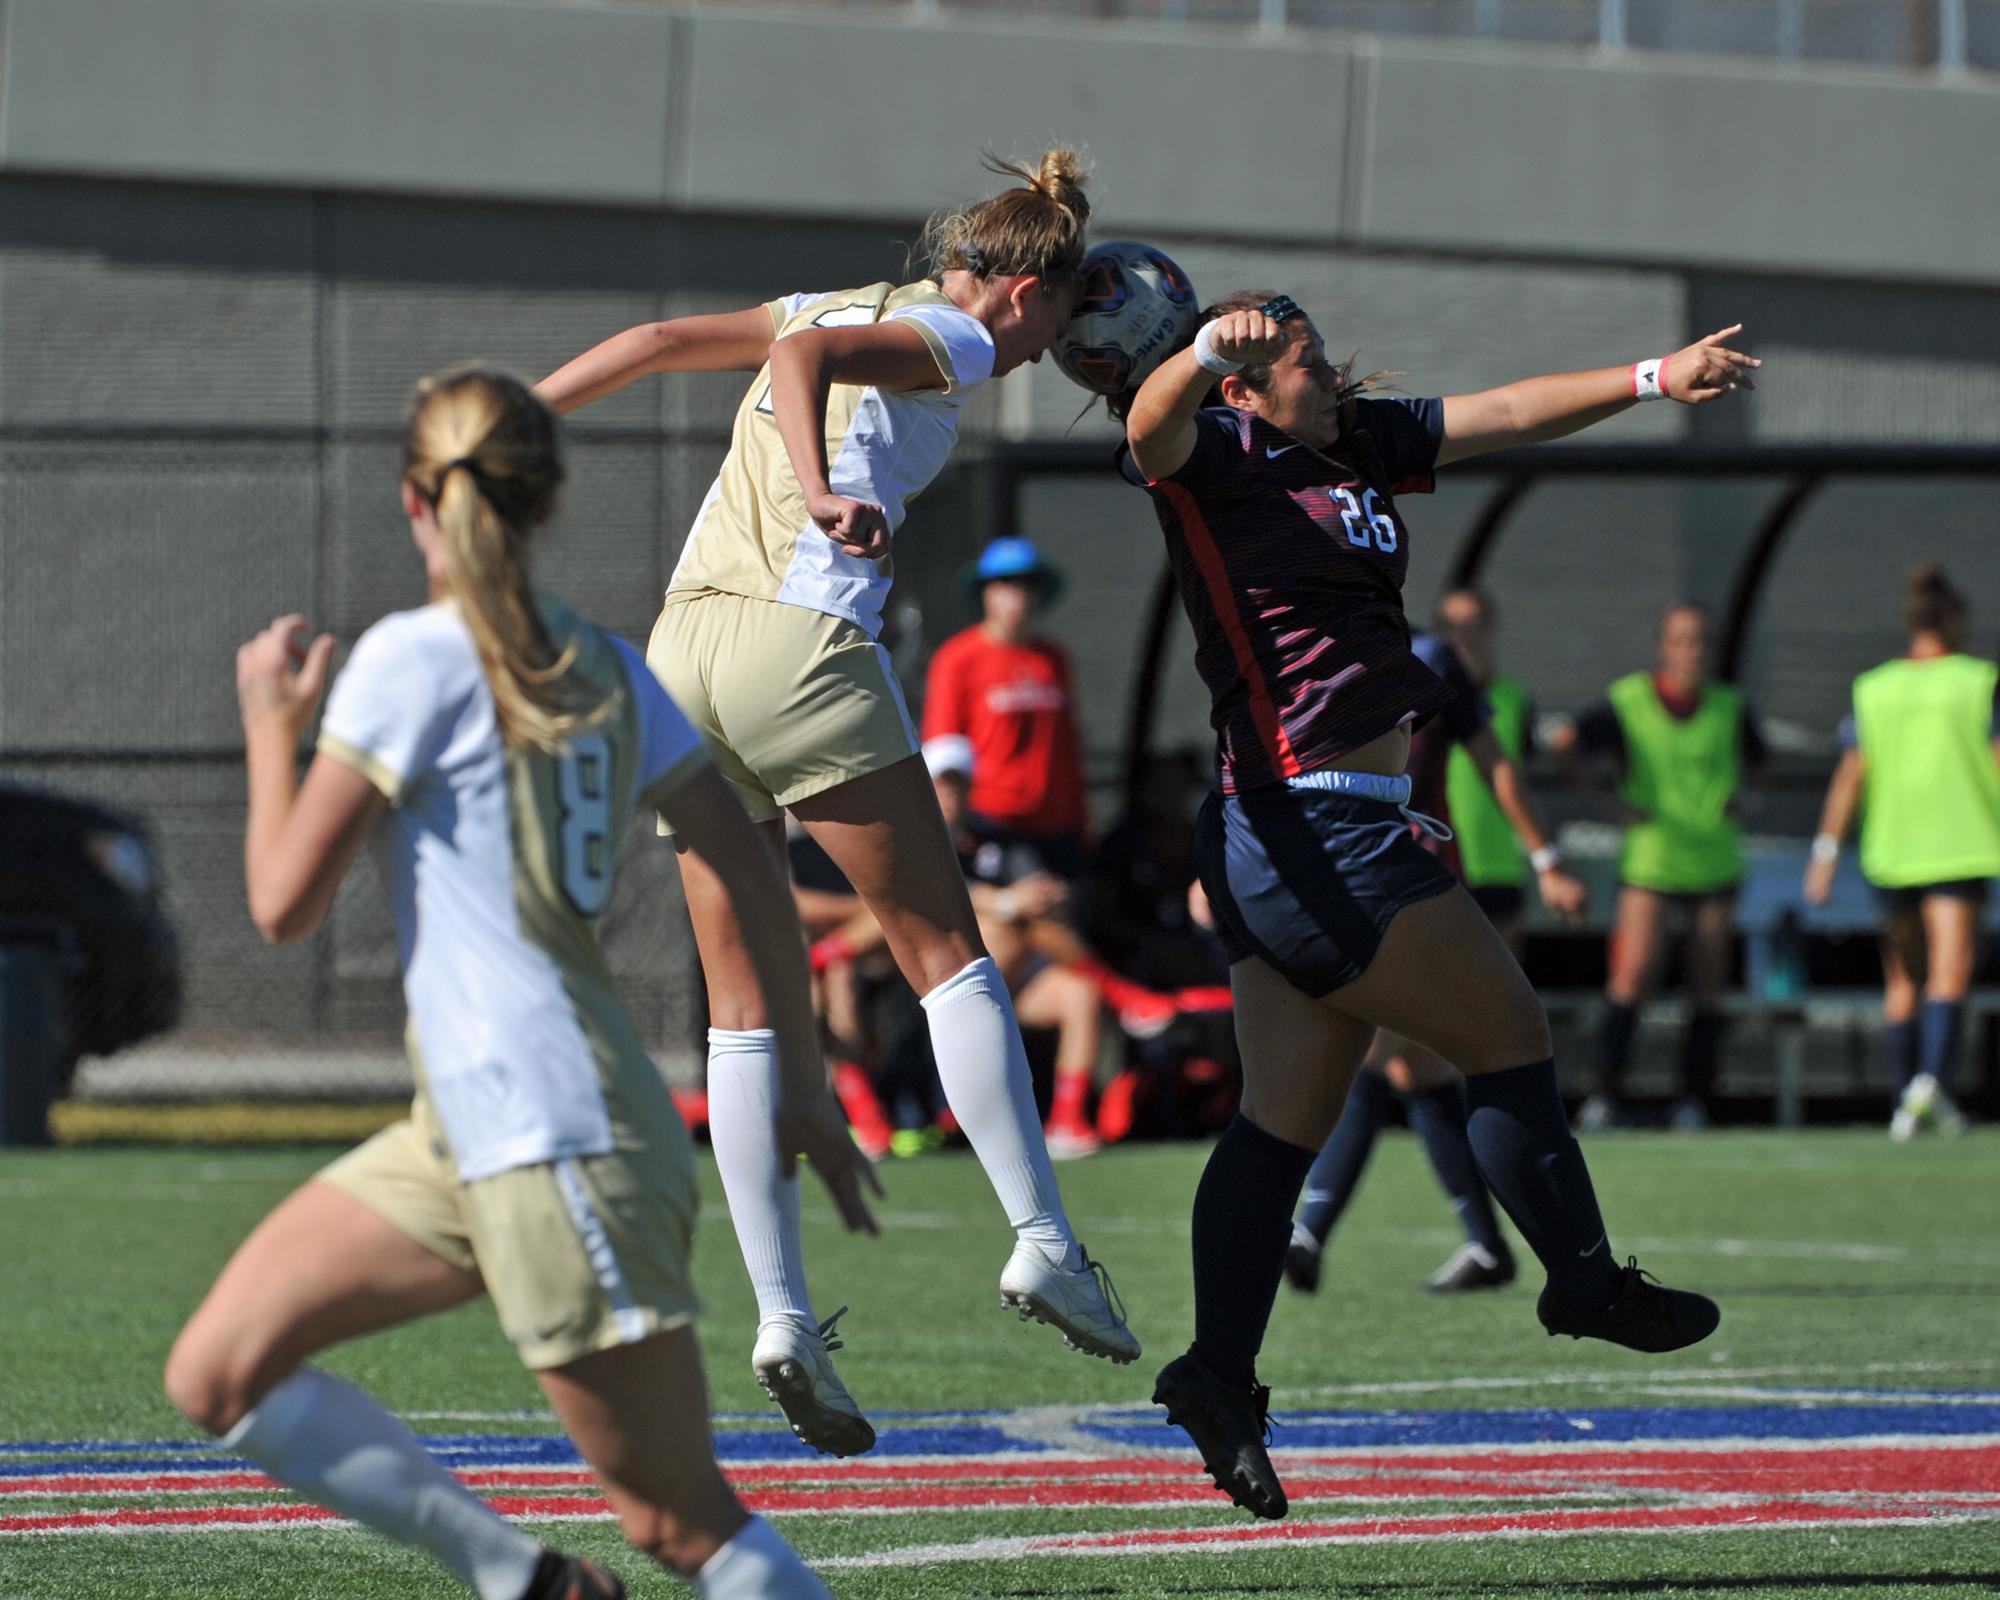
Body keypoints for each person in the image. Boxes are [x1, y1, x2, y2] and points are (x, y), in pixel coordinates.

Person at [163, 369, 859, 1600]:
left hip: (553, 1137)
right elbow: (751, 856)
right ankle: (527, 1582)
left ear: (412, 500)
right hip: (473, 1130)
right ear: (546, 499)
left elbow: (279, 901)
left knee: (680, 1524)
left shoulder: (414, 658)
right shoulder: (600, 662)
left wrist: (271, 720)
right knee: (221, 1368)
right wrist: (800, 1075)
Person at [537, 149, 1139, 1458]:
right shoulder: (960, 335)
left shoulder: (829, 302)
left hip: (679, 656)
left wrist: (521, 419)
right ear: (1016, 290)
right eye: (1061, 318)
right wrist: (819, 489)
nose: (1046, 352)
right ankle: (1043, 1241)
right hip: (795, 643)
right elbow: (812, 381)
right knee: (946, 958)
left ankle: (783, 1318)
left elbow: (650, 341)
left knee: (746, 1007)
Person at [1119, 290, 1746, 1518]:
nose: (1320, 372)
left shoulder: (1351, 440)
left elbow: (1504, 411)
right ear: (1240, 387)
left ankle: (1215, 1372)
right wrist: (1196, 353)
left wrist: (1650, 378)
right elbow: (1145, 436)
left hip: (1300, 819)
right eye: (1292, 360)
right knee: (1507, 1037)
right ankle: (1579, 1281)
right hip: (1315, 816)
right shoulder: (1213, 450)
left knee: (1281, 1122)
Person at [1284, 627, 1587, 1297]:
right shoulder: (1309, 643)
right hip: (1351, 877)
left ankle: (1308, 1231)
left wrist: (1546, 858)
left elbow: (1494, 761)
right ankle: (1488, 1246)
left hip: (1410, 875)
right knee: (1417, 1067)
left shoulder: (1431, 656)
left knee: (1374, 1048)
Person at [1552, 603, 1769, 1131]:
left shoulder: (1728, 706)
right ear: (1664, 647)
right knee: (1633, 976)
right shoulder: (1629, 701)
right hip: (1652, 861)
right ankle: (1604, 1095)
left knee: (1707, 985)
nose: (1693, 651)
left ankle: (1694, 1099)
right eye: (1683, 640)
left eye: (1702, 642)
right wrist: (1608, 801)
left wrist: (1746, 797)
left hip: (1714, 862)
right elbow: (1564, 744)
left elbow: (1761, 764)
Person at [1805, 563, 2000, 1139]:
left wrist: (1825, 852)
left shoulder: (1874, 686)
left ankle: (1903, 1102)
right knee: (1949, 973)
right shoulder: (1979, 680)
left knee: (1902, 981)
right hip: (1958, 847)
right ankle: (1929, 1086)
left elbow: (1849, 775)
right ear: (1955, 616)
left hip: (1890, 852)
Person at [924, 537, 1090, 882]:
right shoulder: (958, 658)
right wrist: (953, 823)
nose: (1017, 595)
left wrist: (1083, 821)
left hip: (1058, 824)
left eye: (1027, 583)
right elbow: (944, 750)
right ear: (985, 592)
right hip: (992, 823)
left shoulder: (1053, 659)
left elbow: (1068, 746)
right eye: (1005, 583)